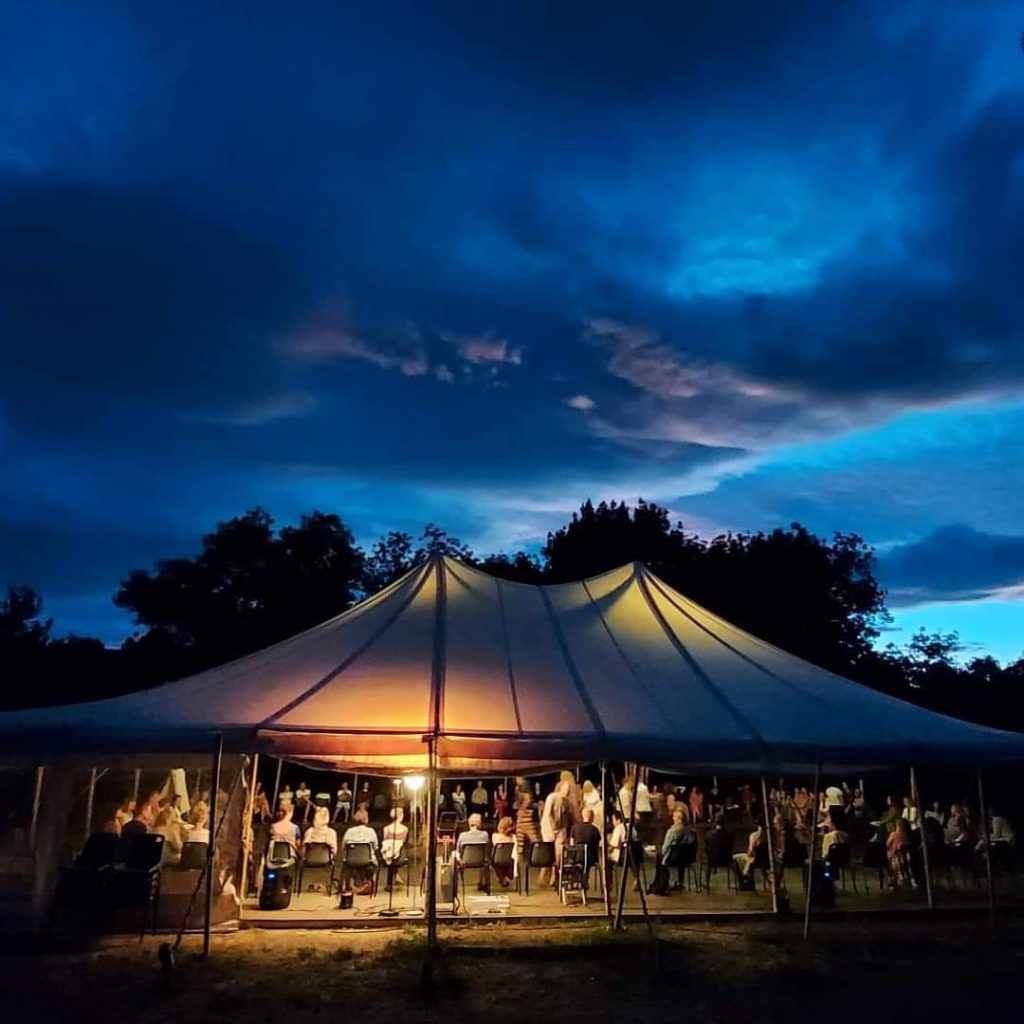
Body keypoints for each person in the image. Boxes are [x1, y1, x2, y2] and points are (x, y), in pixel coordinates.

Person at [341, 809, 379, 892]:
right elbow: (376, 847)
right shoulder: (371, 832)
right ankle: (370, 883)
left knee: (347, 865)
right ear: (366, 819)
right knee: (374, 864)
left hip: (350, 860)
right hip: (367, 860)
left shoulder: (349, 831)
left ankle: (348, 885)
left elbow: (343, 847)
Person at [456, 813, 490, 890]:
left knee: (454, 854)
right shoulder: (485, 834)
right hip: (481, 861)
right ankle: (483, 882)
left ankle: (455, 886)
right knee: (485, 860)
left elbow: (459, 851)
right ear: (480, 823)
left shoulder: (462, 835)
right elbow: (487, 849)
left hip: (465, 861)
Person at [886, 818, 914, 888]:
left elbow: (887, 845)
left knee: (888, 859)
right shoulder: (907, 835)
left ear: (898, 826)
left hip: (895, 857)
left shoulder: (894, 834)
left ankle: (892, 880)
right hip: (906, 858)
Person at [491, 816, 517, 887]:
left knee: (496, 861)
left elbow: (496, 845)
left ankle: (502, 878)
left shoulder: (495, 836)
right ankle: (506, 877)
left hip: (497, 860)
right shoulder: (513, 838)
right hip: (510, 860)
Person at [515, 792, 539, 860]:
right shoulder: (522, 809)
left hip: (527, 828)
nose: (529, 800)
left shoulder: (527, 808)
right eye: (528, 799)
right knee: (520, 848)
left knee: (535, 843)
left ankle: (536, 858)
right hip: (524, 828)